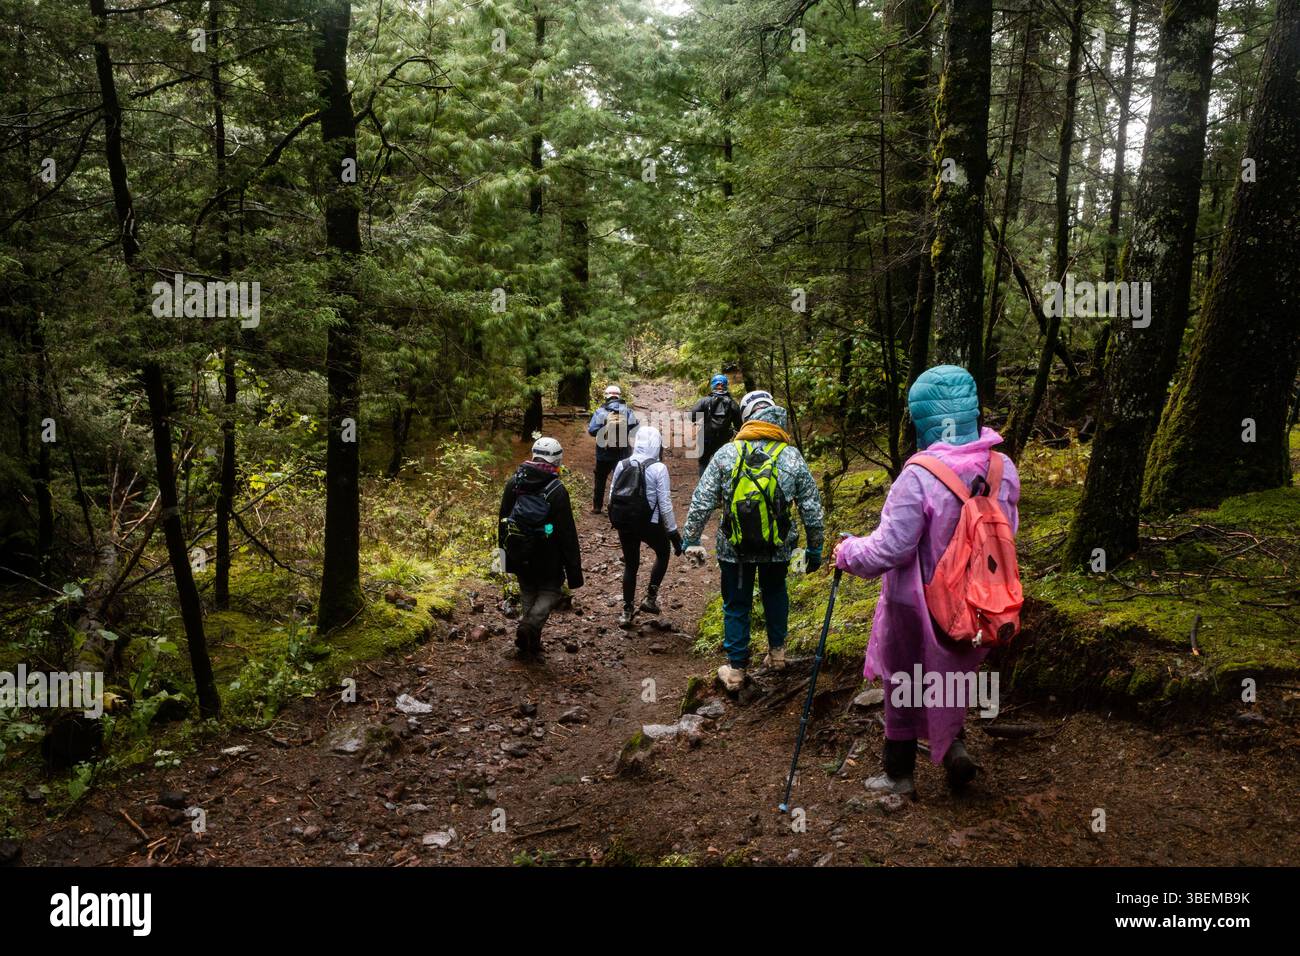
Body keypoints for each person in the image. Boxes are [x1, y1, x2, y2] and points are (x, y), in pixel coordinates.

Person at [833, 365, 1020, 798]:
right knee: (952, 676)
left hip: (916, 607)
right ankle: (955, 752)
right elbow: (1008, 531)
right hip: (979, 602)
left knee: (906, 680)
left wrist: (846, 553)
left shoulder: (919, 476)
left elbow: (888, 550)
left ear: (921, 419)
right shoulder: (1001, 467)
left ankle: (898, 776)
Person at [681, 390, 824, 692]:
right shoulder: (791, 455)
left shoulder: (726, 453)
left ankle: (735, 670)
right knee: (775, 593)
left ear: (745, 417)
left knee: (736, 602)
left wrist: (691, 538)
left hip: (735, 550)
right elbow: (811, 506)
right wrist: (814, 548)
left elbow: (701, 501)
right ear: (775, 415)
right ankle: (778, 655)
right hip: (778, 548)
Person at [497, 437, 583, 657]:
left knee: (528, 592)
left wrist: (503, 558)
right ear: (557, 459)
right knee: (551, 591)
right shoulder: (557, 490)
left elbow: (503, 522)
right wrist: (574, 572)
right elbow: (566, 533)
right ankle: (529, 628)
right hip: (548, 556)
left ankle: (530, 645)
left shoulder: (514, 482)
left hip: (518, 552)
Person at [607, 425, 684, 627]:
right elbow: (665, 503)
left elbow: (612, 494)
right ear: (656, 444)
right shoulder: (658, 468)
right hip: (649, 523)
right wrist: (673, 532)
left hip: (625, 522)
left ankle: (626, 610)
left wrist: (615, 519)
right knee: (663, 551)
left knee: (631, 565)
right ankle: (650, 597)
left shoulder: (622, 464)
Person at [588, 383, 638, 513]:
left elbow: (592, 431)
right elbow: (635, 427)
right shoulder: (627, 411)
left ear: (607, 396)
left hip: (603, 453)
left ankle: (597, 507)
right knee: (621, 480)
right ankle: (618, 507)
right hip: (623, 453)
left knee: (600, 479)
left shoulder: (600, 412)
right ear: (619, 396)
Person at [689, 374, 742, 475]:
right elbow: (739, 425)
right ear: (726, 386)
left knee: (703, 462)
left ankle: (703, 486)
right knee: (723, 463)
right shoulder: (732, 403)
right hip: (723, 439)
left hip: (705, 437)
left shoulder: (704, 401)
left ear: (713, 386)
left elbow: (692, 417)